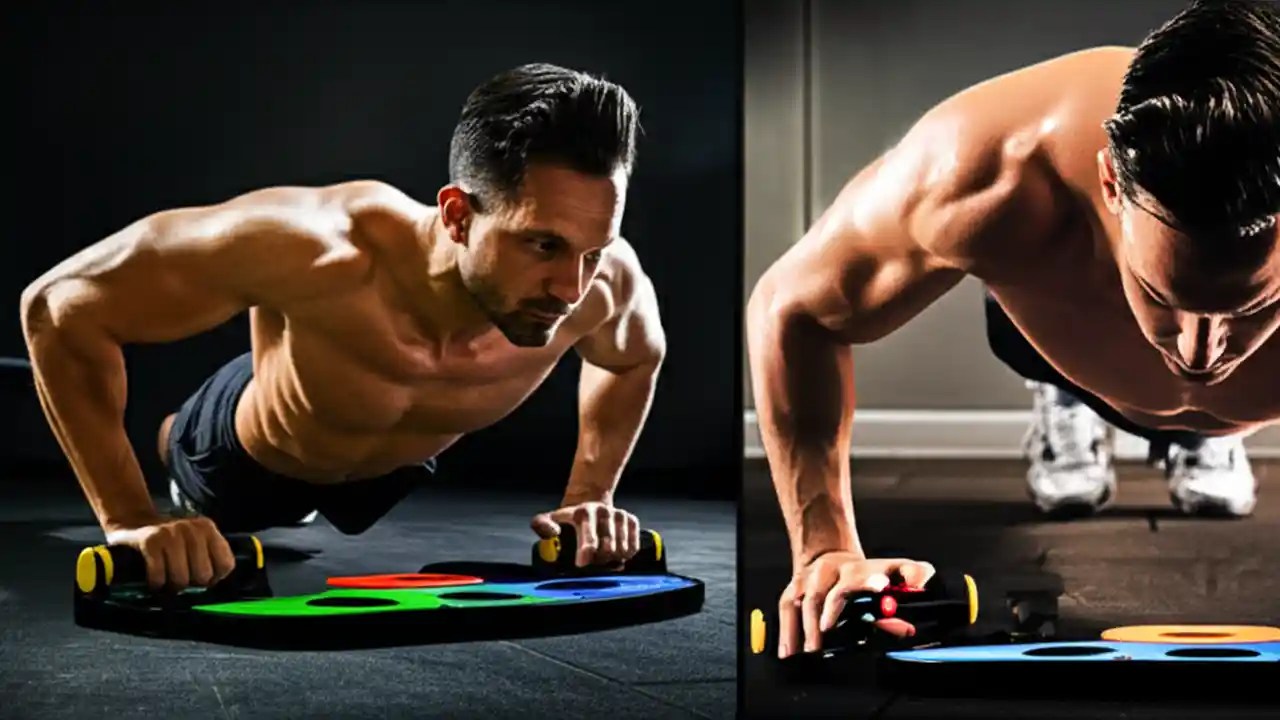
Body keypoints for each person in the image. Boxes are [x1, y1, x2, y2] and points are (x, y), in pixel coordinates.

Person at [747, 0, 1280, 658]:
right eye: (1160, 295)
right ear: (1113, 185)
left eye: (1254, 306)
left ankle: (1206, 433)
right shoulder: (988, 171)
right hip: (1063, 337)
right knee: (1025, 268)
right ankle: (1062, 391)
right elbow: (793, 309)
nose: (1202, 354)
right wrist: (824, 550)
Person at [21, 63, 666, 592]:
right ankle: (175, 438)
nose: (571, 289)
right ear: (458, 216)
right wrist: (129, 519)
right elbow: (58, 305)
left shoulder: (606, 284)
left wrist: (592, 493)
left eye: (594, 250)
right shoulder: (314, 247)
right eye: (542, 246)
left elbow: (634, 357)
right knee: (189, 444)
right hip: (246, 462)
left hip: (391, 469)